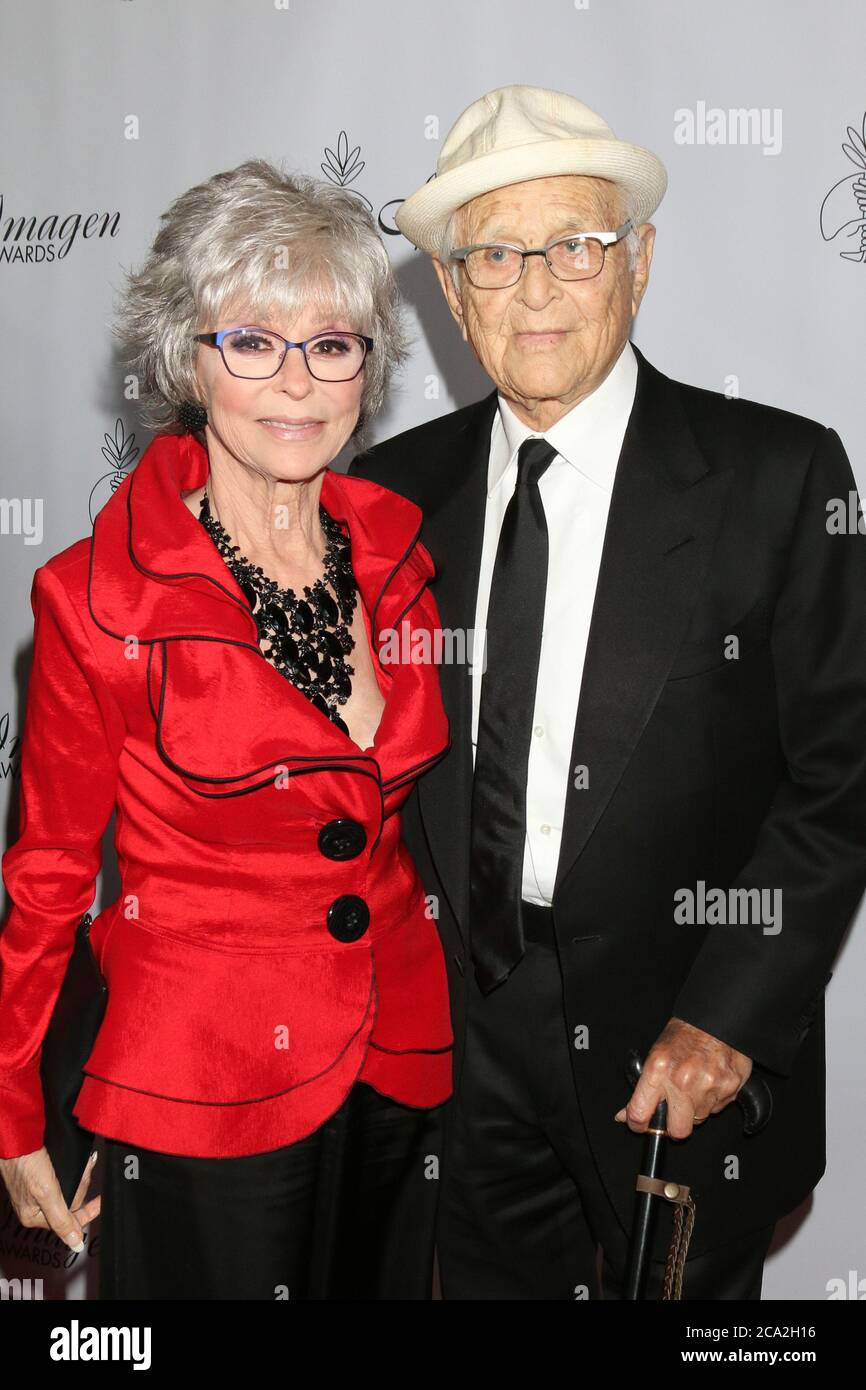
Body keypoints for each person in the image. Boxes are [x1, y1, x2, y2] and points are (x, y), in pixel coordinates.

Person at [348, 85, 866, 1299]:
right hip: (461, 1052)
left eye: (572, 245)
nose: (533, 287)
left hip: (679, 1038)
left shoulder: (778, 478)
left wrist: (727, 1019)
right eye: (491, 253)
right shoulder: (387, 492)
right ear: (450, 287)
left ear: (635, 264)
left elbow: (837, 780)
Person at [0, 159, 454, 1300]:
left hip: (398, 1059)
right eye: (251, 341)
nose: (296, 382)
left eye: (332, 342)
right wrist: (11, 1113)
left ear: (368, 363)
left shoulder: (399, 554)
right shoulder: (97, 598)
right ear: (186, 361)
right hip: (199, 1082)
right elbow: (49, 877)